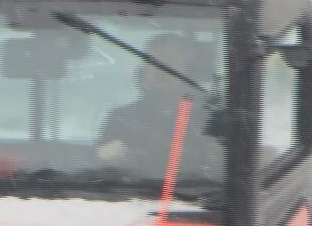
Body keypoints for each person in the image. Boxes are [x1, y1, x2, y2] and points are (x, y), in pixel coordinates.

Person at [95, 32, 225, 188]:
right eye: (151, 62)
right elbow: (97, 173)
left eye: (169, 62)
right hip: (133, 195)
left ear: (192, 72)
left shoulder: (213, 119)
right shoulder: (123, 117)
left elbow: (221, 173)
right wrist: (105, 156)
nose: (158, 70)